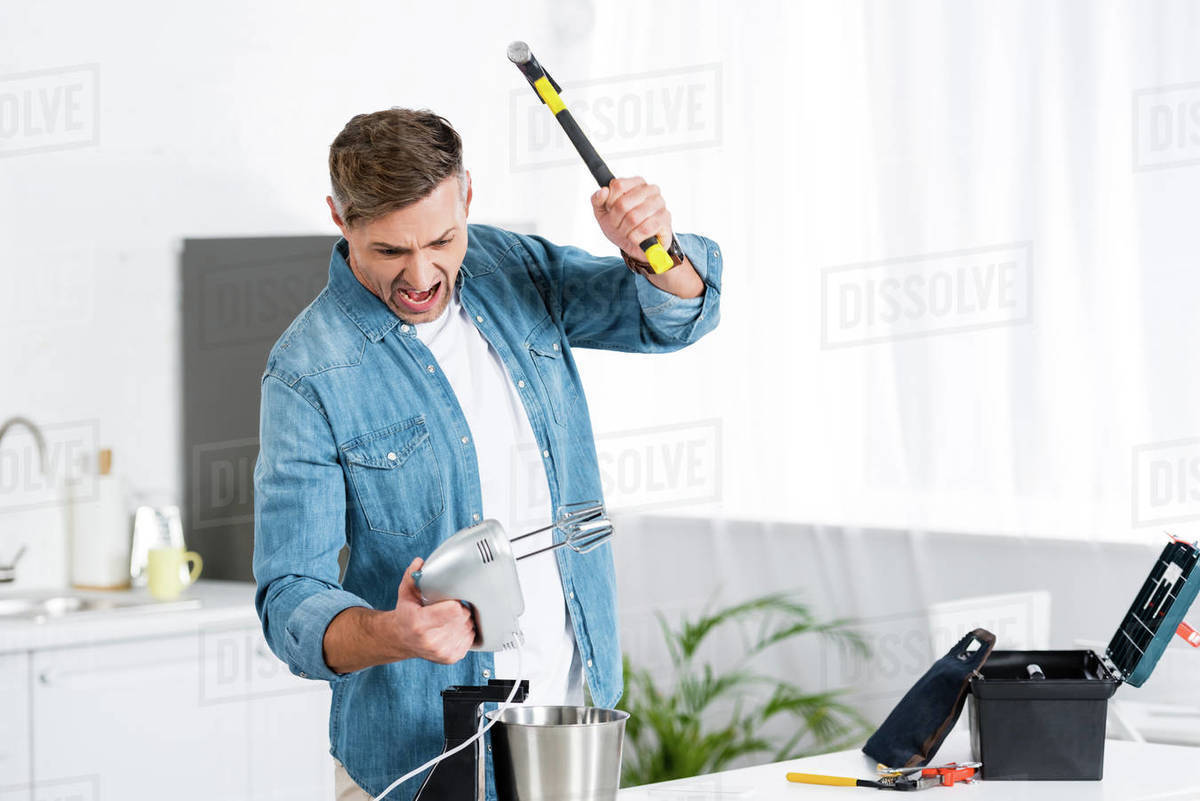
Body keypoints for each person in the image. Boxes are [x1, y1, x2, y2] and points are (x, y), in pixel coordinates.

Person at [252, 107, 723, 801]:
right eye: (388, 250)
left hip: (568, 737)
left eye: (442, 239)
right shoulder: (307, 372)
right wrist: (394, 632)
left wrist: (658, 245)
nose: (421, 273)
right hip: (419, 765)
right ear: (339, 218)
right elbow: (289, 598)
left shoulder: (512, 268)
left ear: (468, 195)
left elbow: (670, 316)